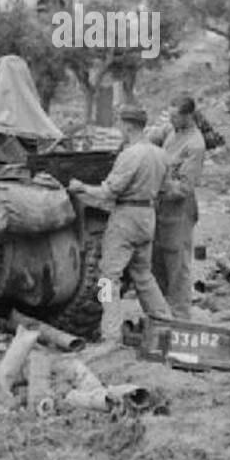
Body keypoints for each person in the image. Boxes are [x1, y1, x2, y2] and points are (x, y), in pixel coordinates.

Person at [67, 105, 173, 321]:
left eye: (121, 125)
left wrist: (82, 187)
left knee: (107, 278)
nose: (120, 130)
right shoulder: (161, 154)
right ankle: (165, 321)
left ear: (128, 126)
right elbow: (165, 188)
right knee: (143, 274)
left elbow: (108, 192)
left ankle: (110, 333)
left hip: (126, 218)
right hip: (148, 216)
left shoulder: (130, 155)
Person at [148, 96, 206, 314]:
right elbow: (151, 137)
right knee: (158, 261)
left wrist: (154, 183)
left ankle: (181, 316)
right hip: (160, 206)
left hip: (179, 208)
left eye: (175, 116)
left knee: (177, 265)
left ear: (188, 116)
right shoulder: (172, 130)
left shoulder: (195, 144)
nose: (171, 120)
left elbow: (184, 188)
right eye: (169, 116)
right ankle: (161, 313)